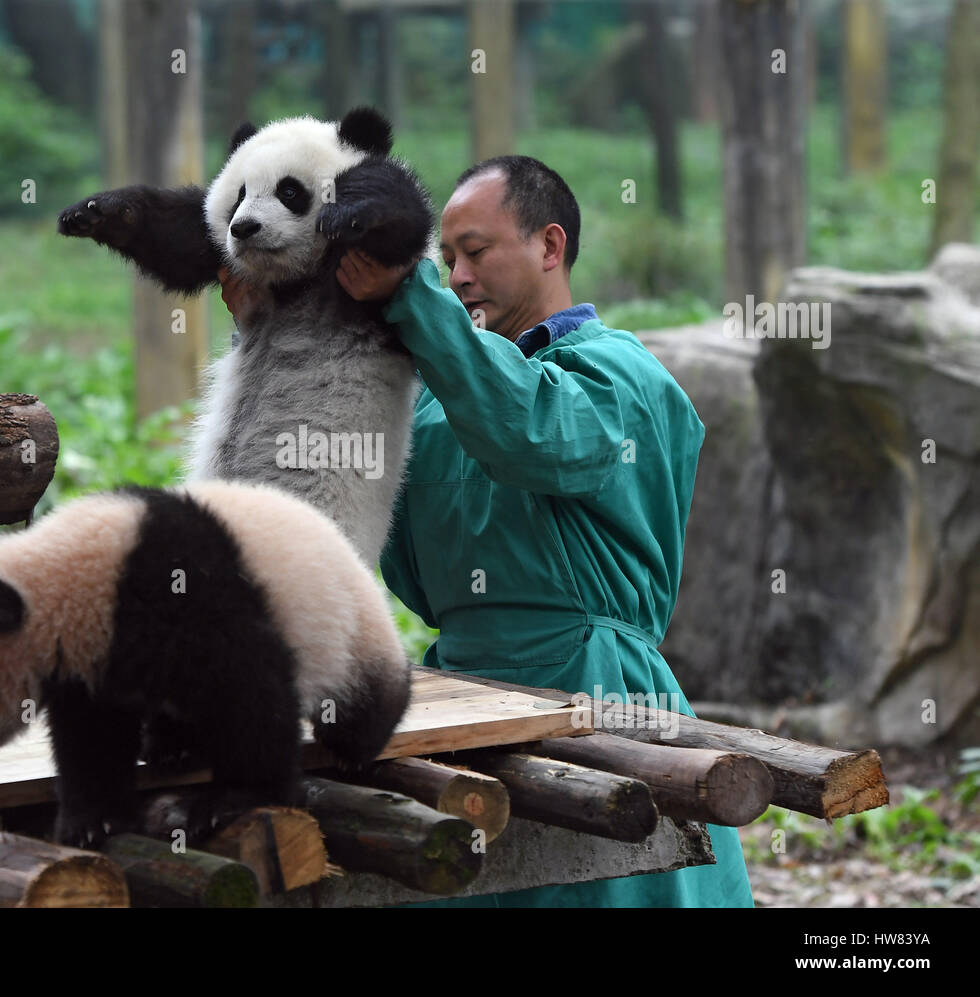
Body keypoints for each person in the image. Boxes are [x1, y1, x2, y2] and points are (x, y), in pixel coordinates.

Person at [219, 155, 755, 907]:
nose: (458, 275)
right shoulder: (438, 400)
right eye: (445, 259)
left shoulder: (621, 374)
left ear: (550, 245)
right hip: (457, 698)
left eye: (476, 252)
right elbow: (379, 547)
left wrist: (411, 297)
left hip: (594, 689)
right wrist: (282, 331)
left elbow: (530, 432)